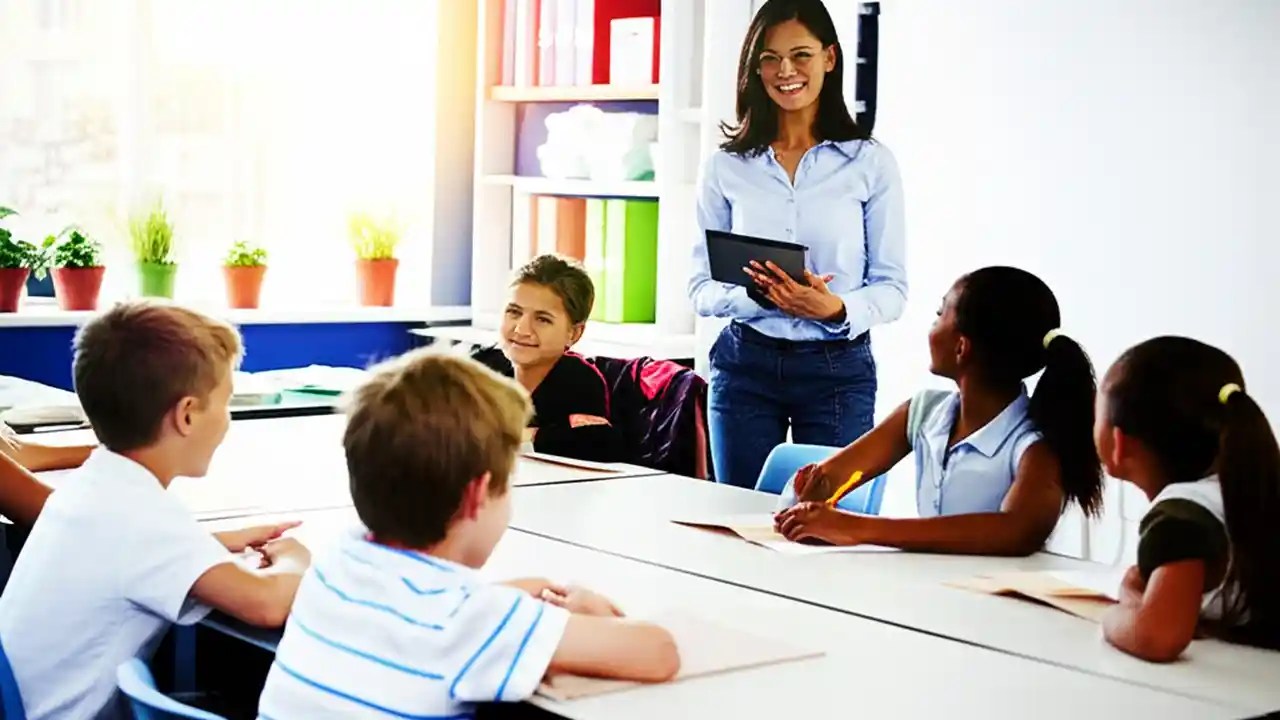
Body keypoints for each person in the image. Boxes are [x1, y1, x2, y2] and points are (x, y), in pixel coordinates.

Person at [257, 350, 678, 716]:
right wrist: (593, 610)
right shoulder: (469, 622)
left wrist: (507, 595)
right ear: (478, 495)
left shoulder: (337, 561)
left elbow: (412, 608)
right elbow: (657, 653)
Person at [0, 300, 311, 720]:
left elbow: (123, 553)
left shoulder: (95, 489)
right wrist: (295, 558)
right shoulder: (142, 516)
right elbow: (268, 603)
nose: (227, 420)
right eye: (225, 403)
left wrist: (215, 543)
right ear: (186, 415)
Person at [688, 0, 907, 489]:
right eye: (769, 58)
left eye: (800, 55)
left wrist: (833, 308)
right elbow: (699, 287)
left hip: (837, 369)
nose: (784, 71)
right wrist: (757, 295)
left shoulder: (869, 163)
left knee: (827, 524)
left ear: (829, 58)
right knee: (738, 524)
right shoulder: (725, 166)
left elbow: (892, 288)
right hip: (746, 365)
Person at [774, 267, 1103, 556]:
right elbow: (829, 478)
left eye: (939, 314)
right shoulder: (922, 413)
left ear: (961, 347)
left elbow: (1017, 530)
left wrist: (860, 528)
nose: (930, 327)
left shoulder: (1035, 443)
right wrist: (810, 497)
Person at [1097, 337, 1280, 660]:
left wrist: (1117, 612)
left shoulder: (1183, 516)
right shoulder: (1247, 486)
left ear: (1118, 442)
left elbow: (1158, 637)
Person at [473, 254, 625, 462]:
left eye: (542, 319)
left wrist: (518, 436)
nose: (521, 329)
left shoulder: (580, 380)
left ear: (573, 333)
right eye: (514, 312)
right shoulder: (483, 367)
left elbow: (595, 444)